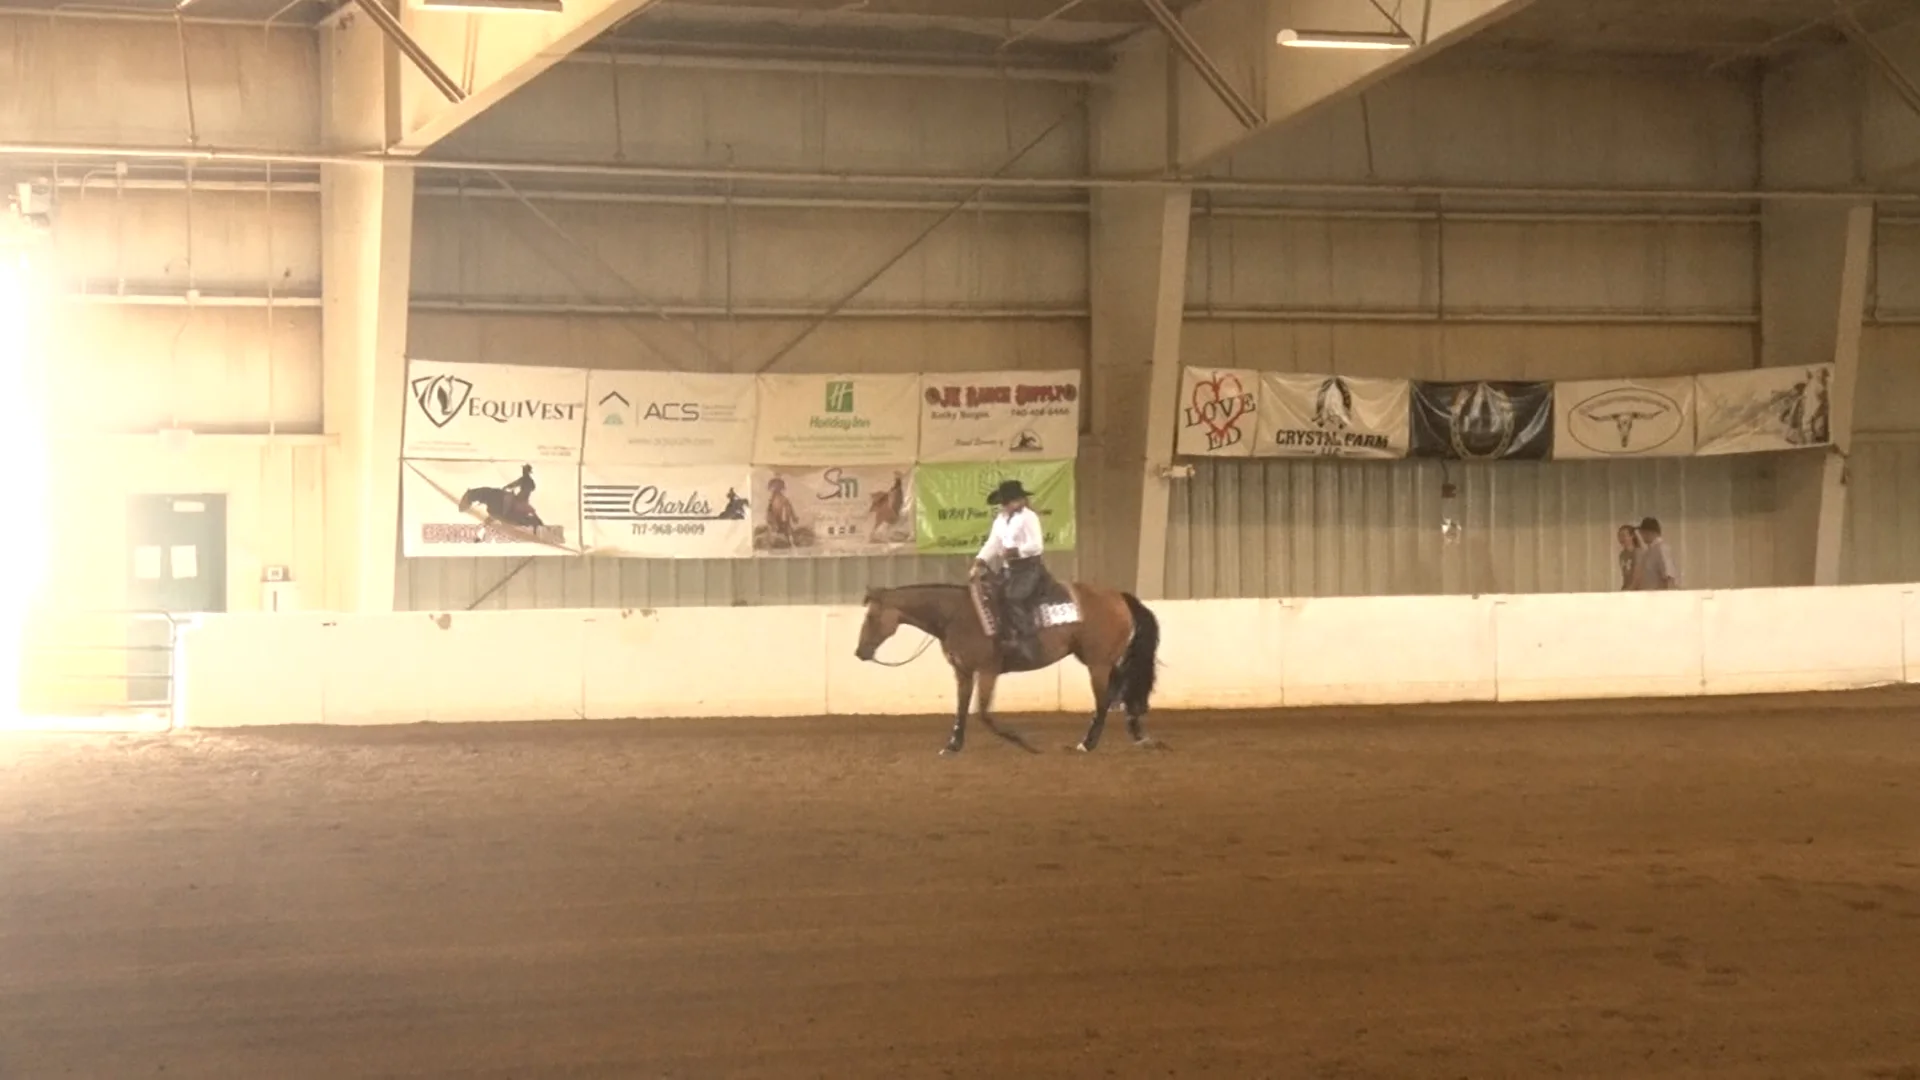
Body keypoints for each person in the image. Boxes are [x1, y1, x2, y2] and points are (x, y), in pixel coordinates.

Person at [972, 479, 1046, 656]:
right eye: (1004, 502)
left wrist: (1016, 552)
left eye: (1009, 501)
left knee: (1014, 597)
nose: (1006, 505)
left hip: (1029, 567)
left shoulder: (1029, 517)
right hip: (1009, 568)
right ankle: (1004, 634)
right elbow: (993, 542)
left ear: (1020, 500)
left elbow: (1037, 545)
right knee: (992, 593)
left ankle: (1028, 639)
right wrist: (980, 561)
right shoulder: (1001, 520)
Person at [1633, 516, 1678, 590]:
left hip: (1659, 597)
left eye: (1642, 533)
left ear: (1649, 532)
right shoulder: (1650, 550)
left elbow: (1669, 576)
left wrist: (1669, 597)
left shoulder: (1662, 549)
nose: (1642, 536)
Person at [1616, 524, 1642, 590]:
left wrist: (1629, 591)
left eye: (1624, 535)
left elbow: (1637, 578)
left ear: (1632, 536)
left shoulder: (1638, 552)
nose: (1621, 539)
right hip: (1627, 590)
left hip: (1638, 591)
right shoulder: (1622, 555)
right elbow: (1625, 576)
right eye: (1619, 536)